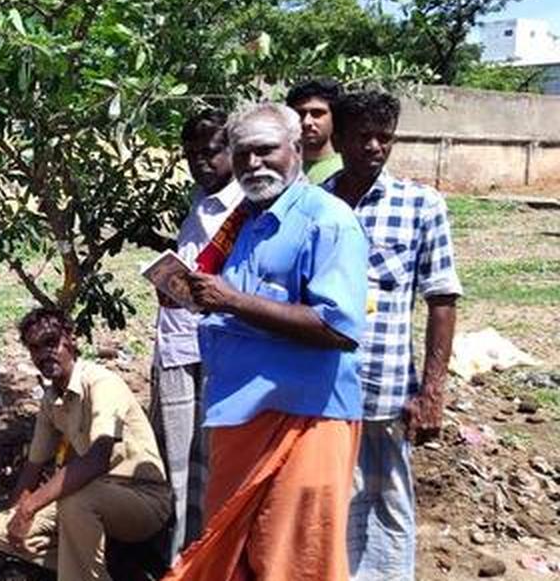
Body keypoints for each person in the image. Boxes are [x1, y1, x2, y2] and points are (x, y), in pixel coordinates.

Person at [165, 102, 369, 581]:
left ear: (296, 150)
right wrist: (191, 294)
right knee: (235, 558)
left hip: (304, 418)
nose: (253, 165)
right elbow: (225, 296)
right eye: (242, 155)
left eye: (265, 151)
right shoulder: (242, 221)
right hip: (237, 415)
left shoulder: (328, 219)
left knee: (292, 560)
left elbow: (339, 328)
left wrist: (233, 302)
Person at [322, 91, 462, 580]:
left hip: (384, 389)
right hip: (318, 390)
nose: (376, 148)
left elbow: (442, 299)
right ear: (338, 139)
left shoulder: (421, 204)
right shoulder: (316, 205)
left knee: (388, 509)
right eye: (364, 137)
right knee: (329, 503)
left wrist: (432, 391)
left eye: (386, 138)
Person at [0, 308, 171, 581]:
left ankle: (89, 570)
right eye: (35, 348)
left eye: (51, 342)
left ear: (71, 340)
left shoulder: (100, 383)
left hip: (142, 499)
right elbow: (33, 467)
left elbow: (97, 459)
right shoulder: (52, 399)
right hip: (93, 498)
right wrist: (15, 517)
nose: (44, 354)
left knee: (75, 501)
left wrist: (30, 507)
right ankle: (107, 567)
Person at [149, 109, 245, 566]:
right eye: (191, 154)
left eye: (210, 152)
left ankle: (206, 557)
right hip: (177, 342)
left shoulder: (246, 205)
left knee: (209, 460)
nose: (200, 163)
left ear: (232, 151)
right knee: (178, 458)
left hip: (213, 348)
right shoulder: (199, 201)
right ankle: (179, 557)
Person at [286, 78, 343, 184]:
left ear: (335, 117)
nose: (307, 122)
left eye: (317, 113)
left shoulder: (349, 171)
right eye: (300, 114)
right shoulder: (282, 170)